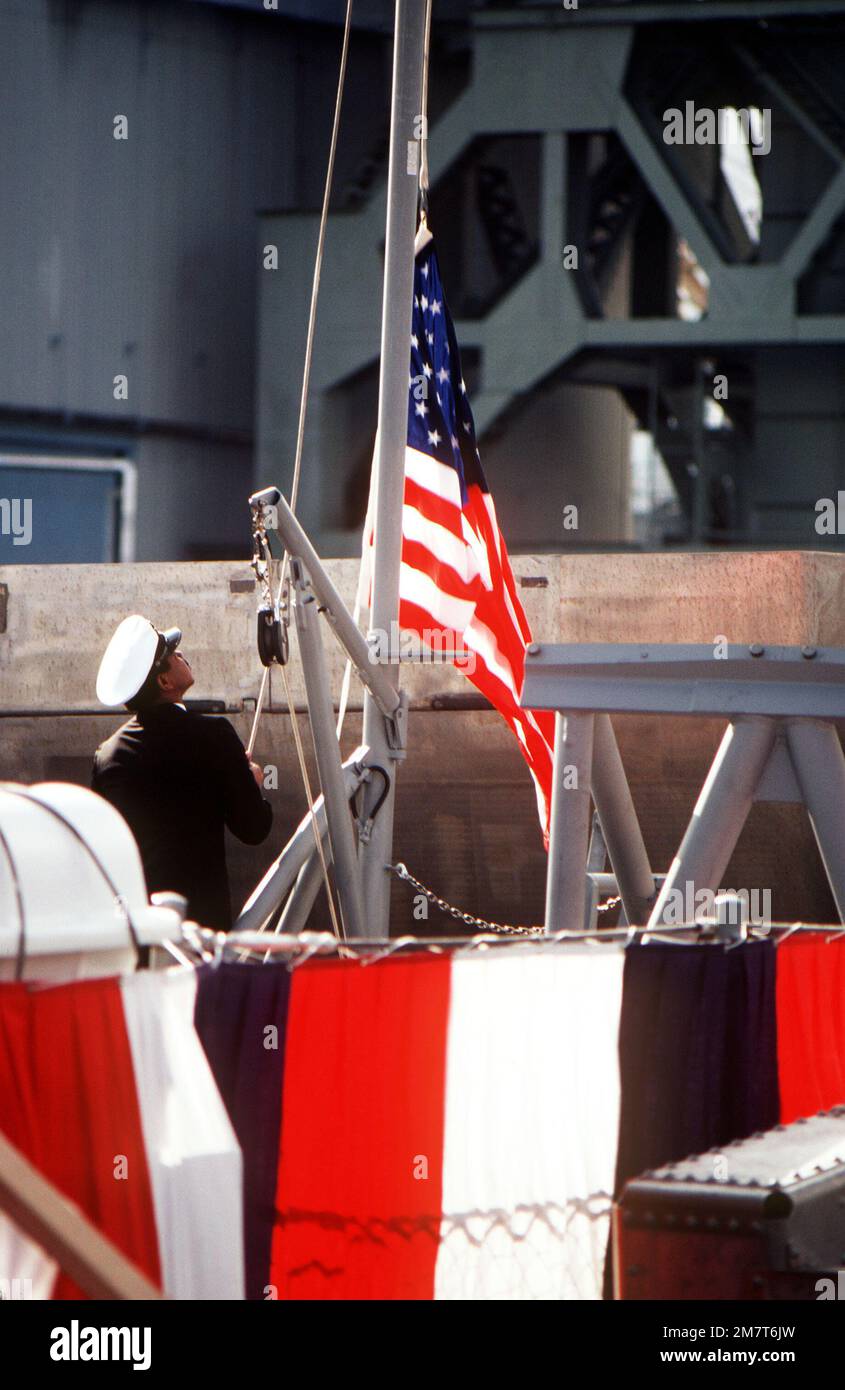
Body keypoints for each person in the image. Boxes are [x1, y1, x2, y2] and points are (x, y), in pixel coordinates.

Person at [92, 614, 273, 930]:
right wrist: (253, 782)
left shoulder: (108, 755)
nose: (180, 654)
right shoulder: (213, 735)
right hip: (200, 929)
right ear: (164, 682)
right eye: (171, 653)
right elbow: (254, 828)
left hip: (135, 929)